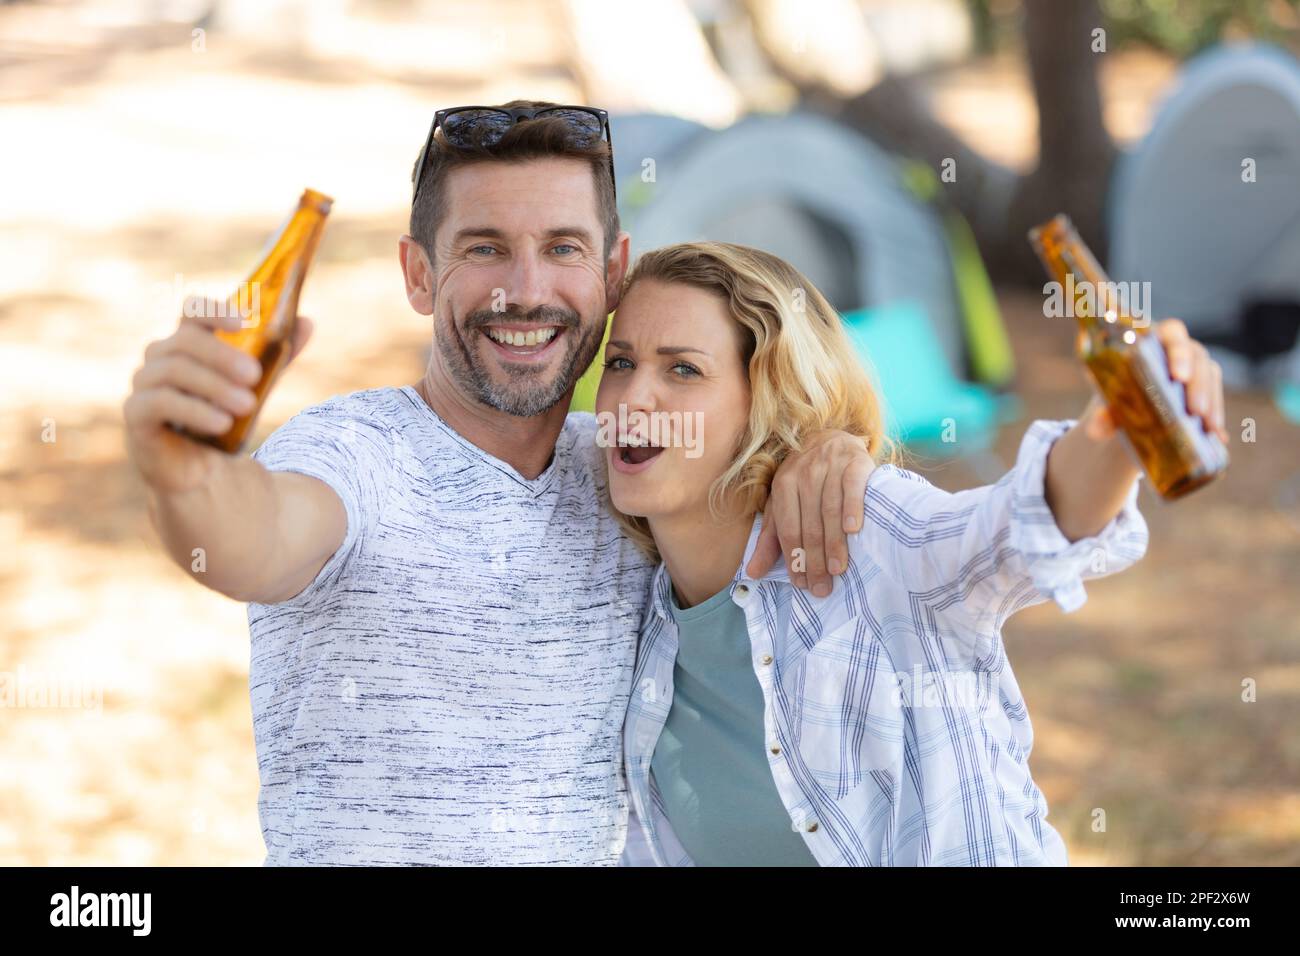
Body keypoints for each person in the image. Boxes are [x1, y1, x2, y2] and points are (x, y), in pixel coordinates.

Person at [122, 102, 876, 865]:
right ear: (419, 274)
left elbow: (762, 457)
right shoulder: (352, 450)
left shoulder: (631, 473)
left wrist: (831, 451)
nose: (524, 289)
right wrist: (189, 478)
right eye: (485, 249)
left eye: (562, 248)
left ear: (613, 274)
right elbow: (248, 539)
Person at [599, 241, 1227, 865]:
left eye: (683, 369)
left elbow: (1017, 526)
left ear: (764, 399)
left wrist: (1117, 430)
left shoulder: (865, 532)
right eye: (620, 363)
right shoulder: (626, 605)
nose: (632, 400)